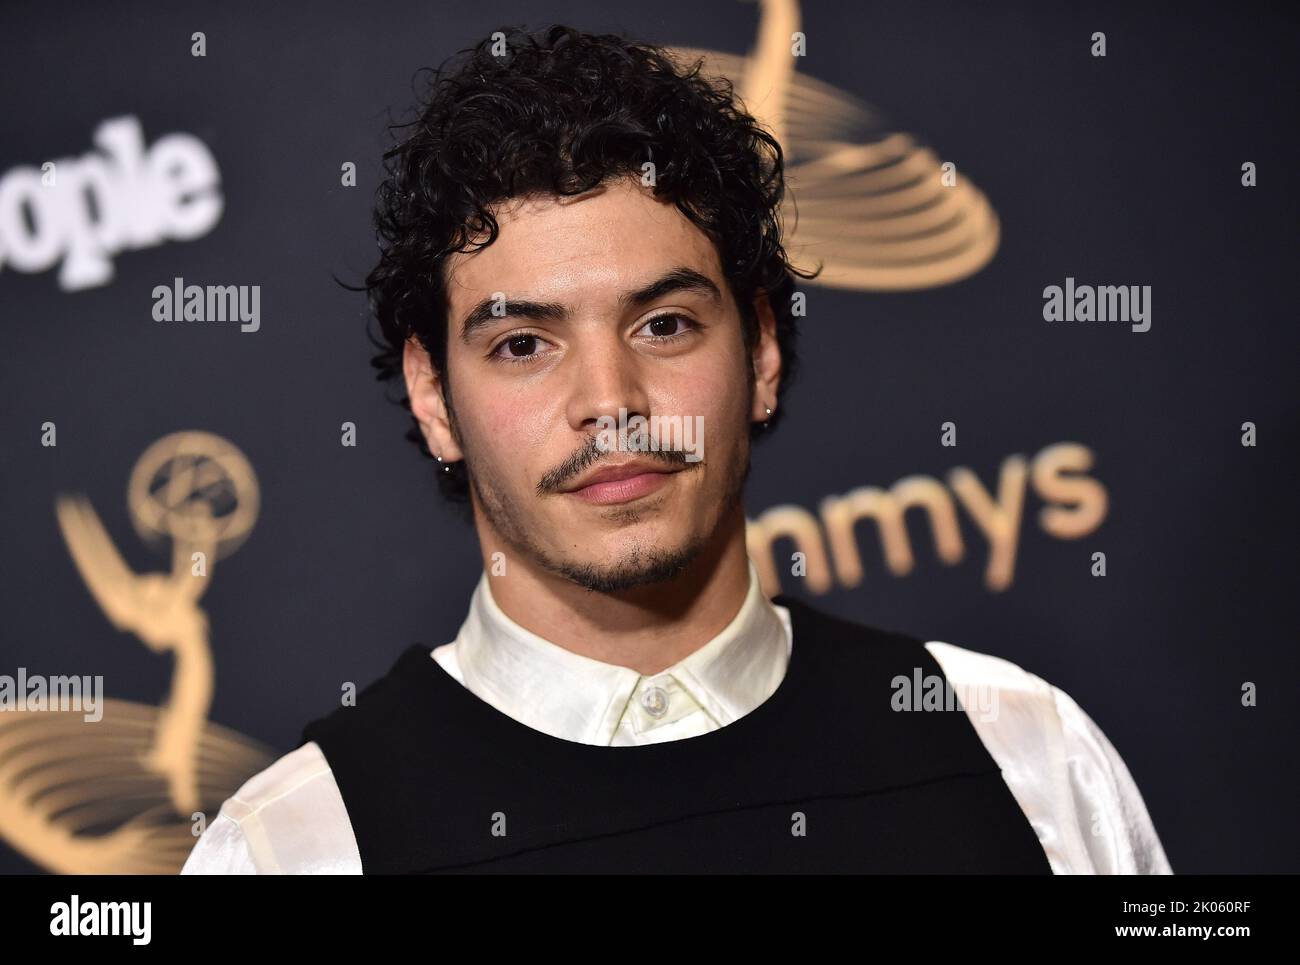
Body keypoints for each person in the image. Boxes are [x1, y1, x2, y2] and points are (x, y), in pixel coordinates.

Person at [182, 24, 1170, 874]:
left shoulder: (1025, 752)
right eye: (523, 344)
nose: (609, 403)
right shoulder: (297, 845)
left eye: (662, 325)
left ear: (764, 351)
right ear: (435, 396)